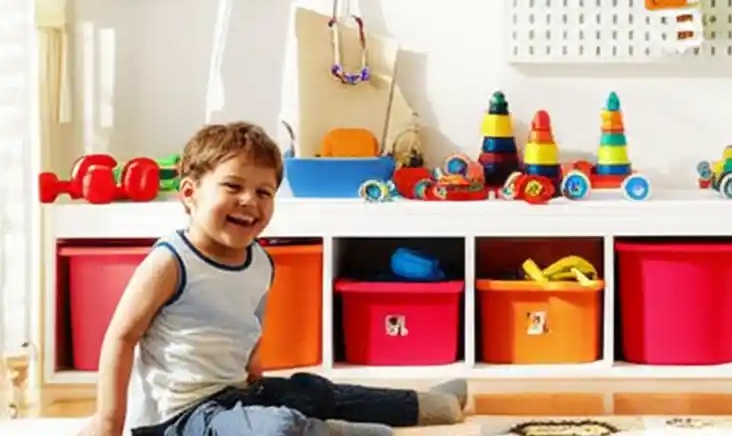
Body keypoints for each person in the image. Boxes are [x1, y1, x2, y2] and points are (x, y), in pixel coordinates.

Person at [78, 122, 466, 436]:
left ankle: (424, 405)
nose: (250, 201)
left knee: (313, 390)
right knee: (276, 426)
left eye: (264, 192)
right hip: (177, 417)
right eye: (233, 186)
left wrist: (253, 357)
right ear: (190, 194)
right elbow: (121, 336)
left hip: (234, 392)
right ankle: (337, 432)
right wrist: (108, 422)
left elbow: (251, 314)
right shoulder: (170, 261)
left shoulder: (259, 259)